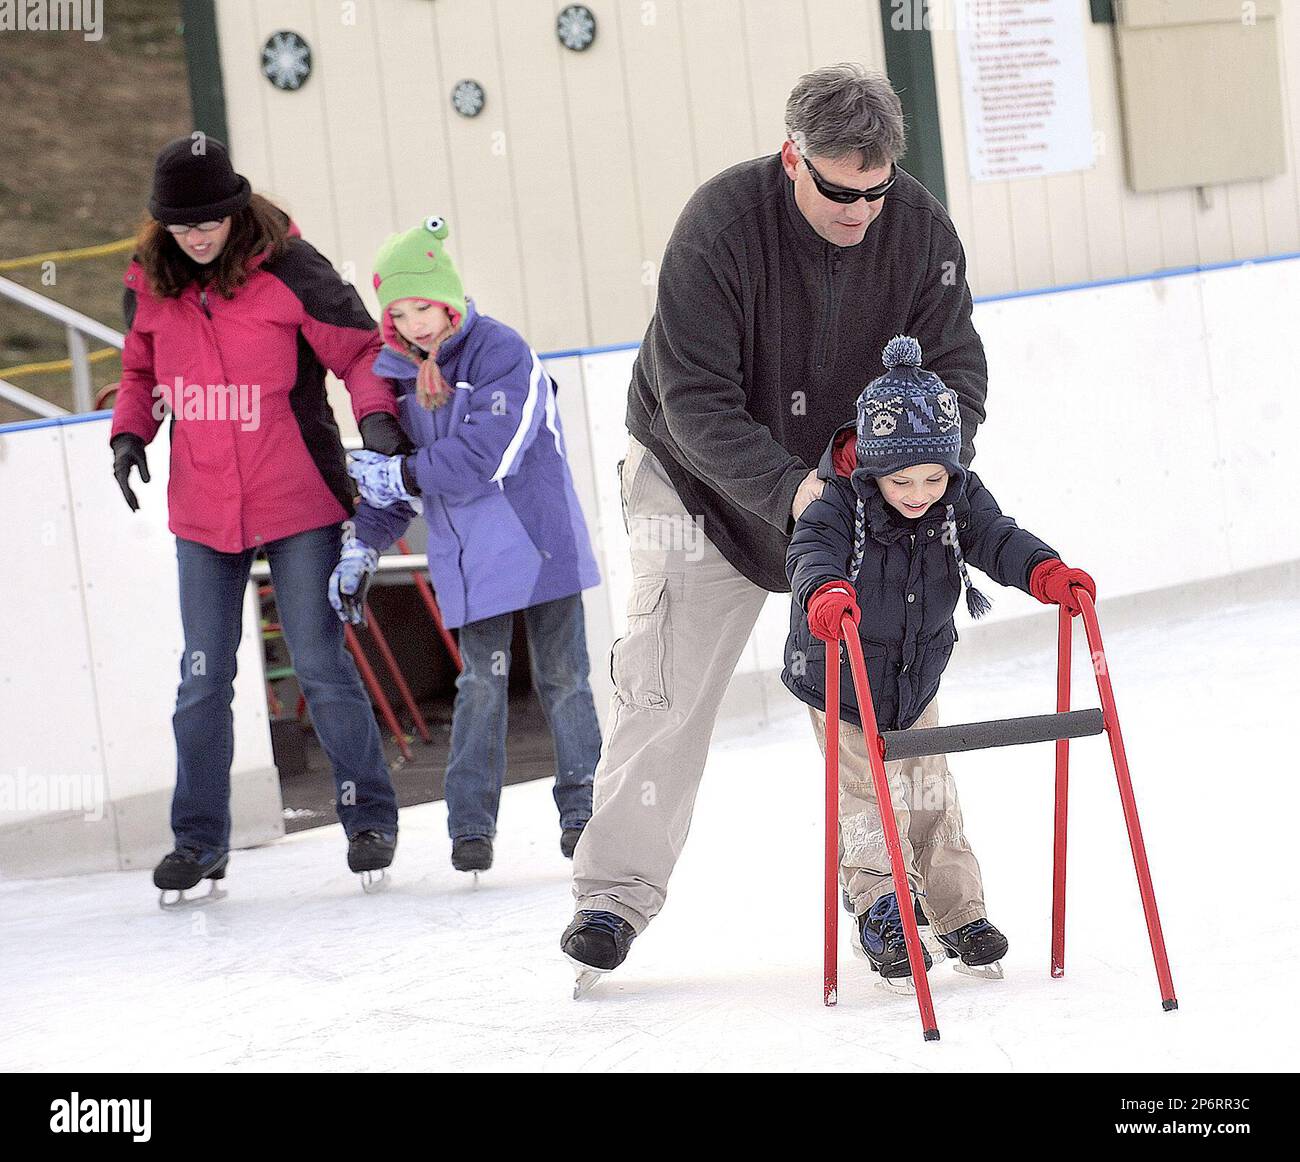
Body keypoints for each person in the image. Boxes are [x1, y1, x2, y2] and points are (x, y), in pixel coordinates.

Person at [563, 63, 990, 979]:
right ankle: (613, 895)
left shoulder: (917, 229)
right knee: (665, 689)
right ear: (792, 157)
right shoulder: (719, 226)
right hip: (699, 487)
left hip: (854, 497)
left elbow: (960, 371)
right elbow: (695, 402)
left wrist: (923, 471)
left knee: (885, 690)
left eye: (875, 192)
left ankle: (907, 895)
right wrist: (794, 491)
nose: (860, 212)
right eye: (839, 191)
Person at [109, 136, 403, 903]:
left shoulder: (291, 270)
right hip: (202, 509)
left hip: (296, 496)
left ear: (236, 210)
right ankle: (199, 842)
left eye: (210, 222)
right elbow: (138, 370)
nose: (198, 238)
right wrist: (129, 432)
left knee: (318, 661)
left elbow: (361, 349)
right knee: (202, 680)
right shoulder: (149, 285)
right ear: (163, 227)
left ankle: (368, 818)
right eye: (183, 227)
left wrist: (374, 418)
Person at [784, 335, 1095, 981]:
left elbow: (997, 537)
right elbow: (809, 553)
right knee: (866, 799)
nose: (921, 492)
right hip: (840, 679)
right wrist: (826, 591)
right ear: (871, 470)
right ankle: (881, 910)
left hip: (914, 677)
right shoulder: (836, 505)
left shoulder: (957, 497)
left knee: (929, 793)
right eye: (903, 480)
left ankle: (958, 913)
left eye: (935, 477)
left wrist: (1046, 572)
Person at [331, 215, 602, 874]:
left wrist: (402, 473)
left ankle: (585, 813)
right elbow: (395, 479)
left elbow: (489, 454)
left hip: (537, 542)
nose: (418, 322)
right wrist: (362, 545)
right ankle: (471, 826)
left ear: (448, 297)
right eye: (401, 310)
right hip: (470, 559)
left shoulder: (501, 352)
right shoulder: (394, 378)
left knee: (563, 679)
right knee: (479, 683)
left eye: (425, 304)